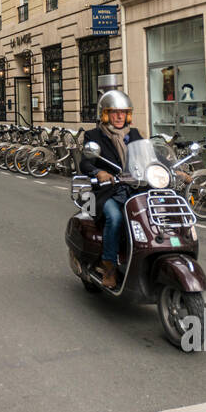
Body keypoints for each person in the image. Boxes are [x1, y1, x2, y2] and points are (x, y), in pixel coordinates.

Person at [79, 89, 143, 290]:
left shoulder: (134, 134)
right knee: (115, 218)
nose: (118, 116)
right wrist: (98, 172)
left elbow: (147, 156)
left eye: (123, 112)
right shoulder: (94, 135)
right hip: (108, 191)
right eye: (114, 112)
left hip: (134, 188)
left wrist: (170, 168)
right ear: (105, 114)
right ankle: (109, 267)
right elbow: (85, 164)